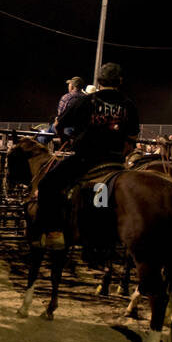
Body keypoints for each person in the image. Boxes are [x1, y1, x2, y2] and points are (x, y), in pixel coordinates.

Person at [33, 62, 140, 250]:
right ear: (120, 81)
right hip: (115, 161)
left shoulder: (86, 101)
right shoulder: (128, 104)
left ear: (99, 81)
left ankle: (53, 234)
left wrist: (67, 139)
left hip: (85, 159)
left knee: (46, 185)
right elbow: (132, 137)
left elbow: (59, 124)